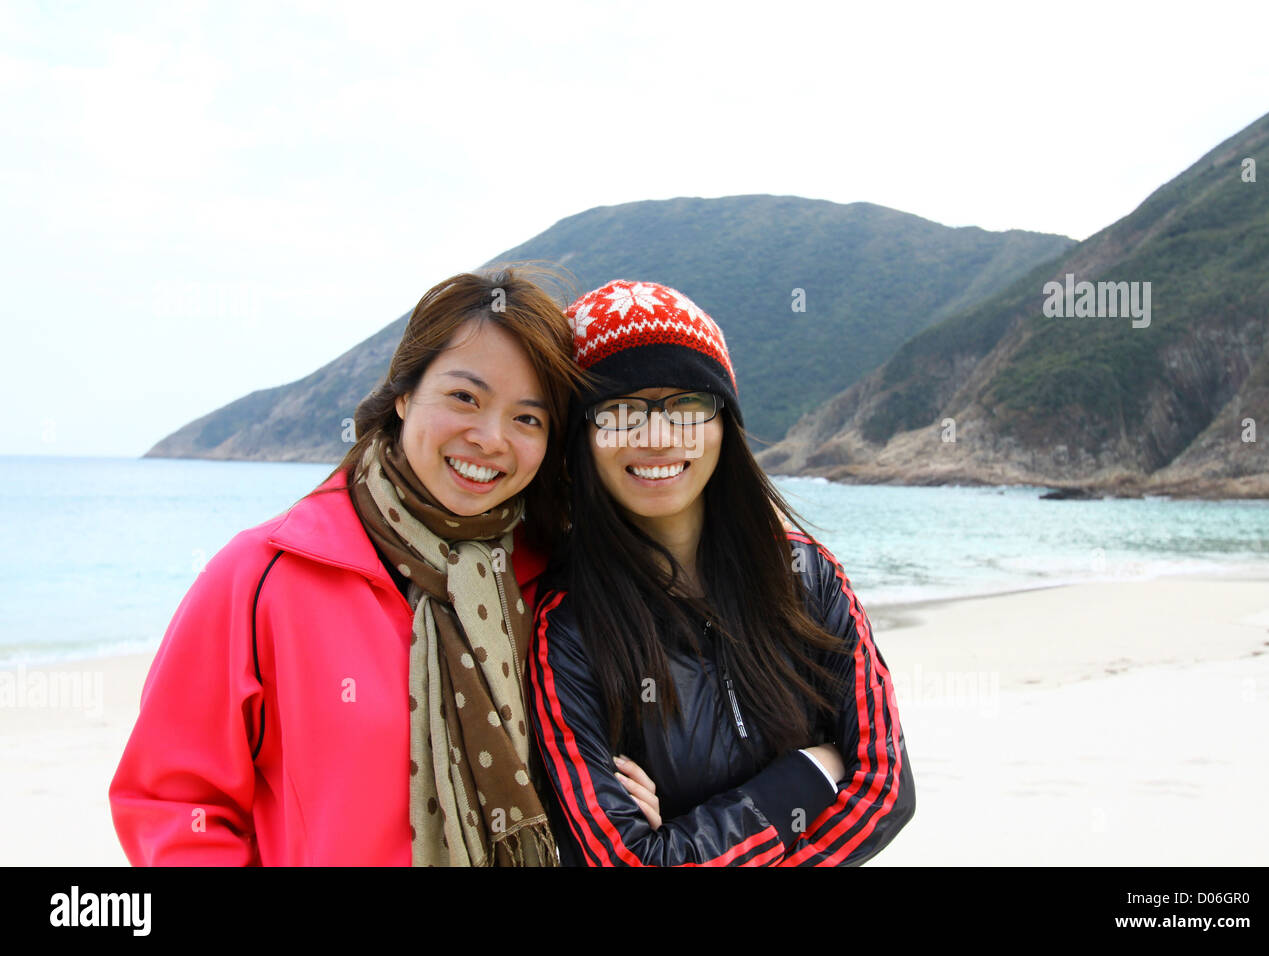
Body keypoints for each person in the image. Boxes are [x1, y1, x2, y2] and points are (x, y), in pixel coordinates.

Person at [110, 267, 590, 866]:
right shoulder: (264, 574)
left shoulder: (549, 584)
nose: (490, 438)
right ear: (404, 395)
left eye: (528, 418)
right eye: (465, 397)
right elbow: (173, 805)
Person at [529, 279, 915, 866]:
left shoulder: (805, 576)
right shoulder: (568, 630)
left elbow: (886, 789)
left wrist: (686, 842)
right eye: (618, 411)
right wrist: (812, 772)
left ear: (723, 423)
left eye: (686, 405)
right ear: (581, 436)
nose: (656, 438)